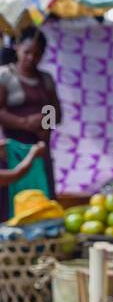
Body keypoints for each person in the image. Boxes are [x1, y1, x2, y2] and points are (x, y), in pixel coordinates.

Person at [0, 27, 62, 204]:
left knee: (42, 198)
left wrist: (45, 127)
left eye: (37, 54)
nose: (31, 58)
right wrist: (25, 122)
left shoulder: (46, 79)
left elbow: (54, 110)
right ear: (17, 47)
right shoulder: (5, 76)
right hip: (13, 151)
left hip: (41, 148)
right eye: (27, 52)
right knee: (15, 198)